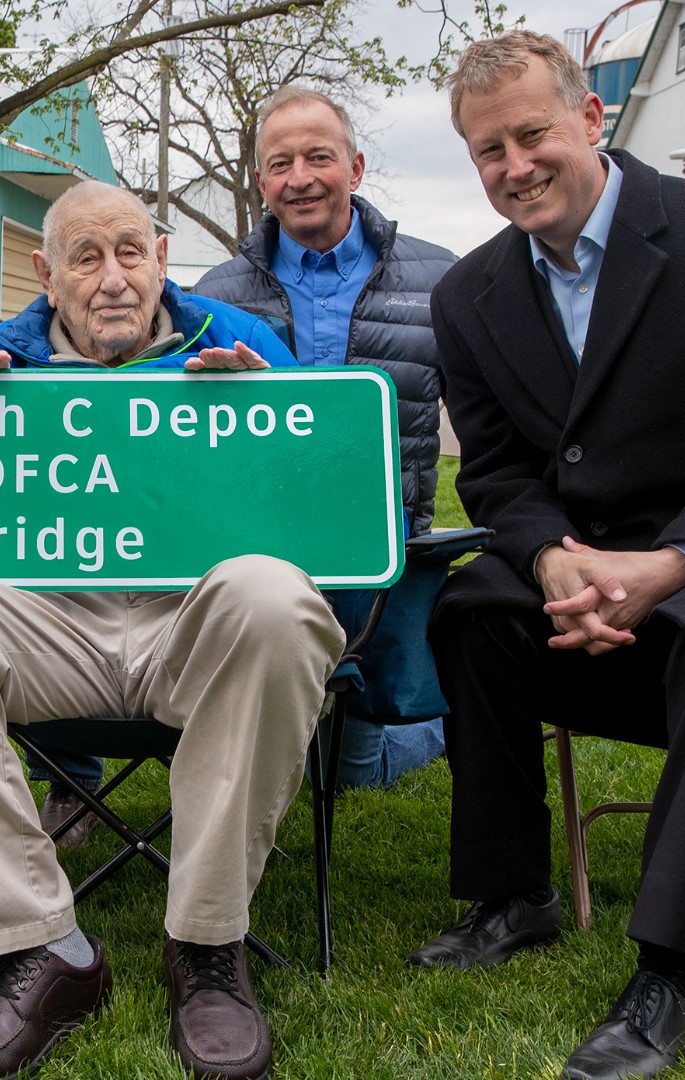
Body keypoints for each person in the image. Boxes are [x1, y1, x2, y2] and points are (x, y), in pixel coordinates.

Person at [416, 31, 685, 1080]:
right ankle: (513, 895)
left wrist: (677, 560)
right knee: (469, 612)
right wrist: (552, 558)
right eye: (488, 151)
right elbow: (499, 477)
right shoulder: (466, 296)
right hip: (582, 571)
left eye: (532, 136)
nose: (514, 167)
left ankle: (667, 974)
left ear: (591, 121)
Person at [0, 181, 343, 1080]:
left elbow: (327, 521)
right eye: (86, 256)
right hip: (47, 628)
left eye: (130, 252)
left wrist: (271, 434)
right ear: (44, 273)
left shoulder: (247, 347)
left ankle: (206, 948)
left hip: (196, 628)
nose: (112, 278)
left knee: (274, 597)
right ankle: (41, 948)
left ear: (161, 258)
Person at [193, 85, 457, 790]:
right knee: (264, 753)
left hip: (376, 564)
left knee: (346, 777)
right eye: (280, 163)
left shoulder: (440, 280)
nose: (300, 177)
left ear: (356, 167)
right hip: (254, 552)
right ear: (261, 182)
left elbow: (491, 423)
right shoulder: (217, 292)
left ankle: (439, 723)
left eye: (319, 157)